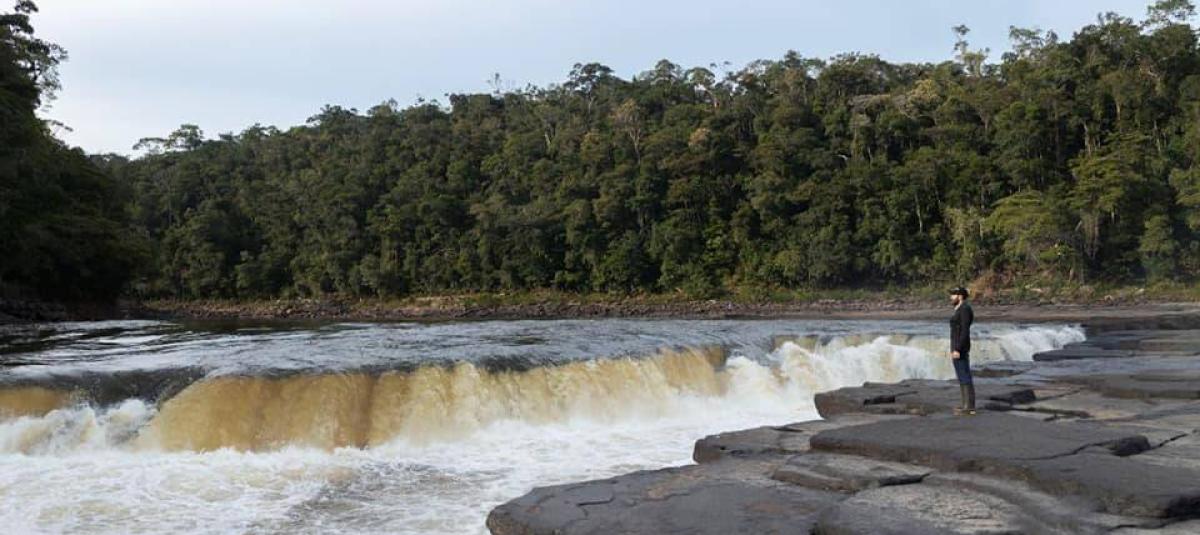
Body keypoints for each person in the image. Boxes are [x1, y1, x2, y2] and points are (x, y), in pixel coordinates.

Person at [949, 286, 975, 415]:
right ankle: (966, 405)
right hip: (957, 347)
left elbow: (965, 331)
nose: (951, 297)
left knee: (964, 376)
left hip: (961, 348)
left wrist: (957, 349)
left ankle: (969, 407)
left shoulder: (964, 309)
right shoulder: (960, 309)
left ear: (960, 296)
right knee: (962, 375)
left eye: (953, 294)